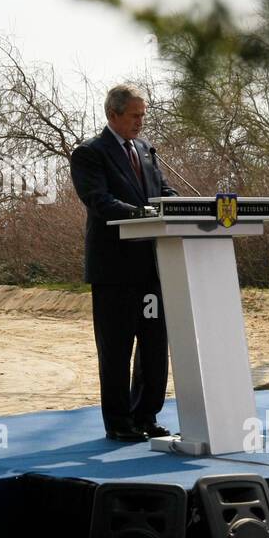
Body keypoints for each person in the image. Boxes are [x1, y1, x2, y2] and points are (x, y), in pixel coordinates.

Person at [70, 84, 178, 442]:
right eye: (135, 115)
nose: (140, 122)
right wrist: (143, 214)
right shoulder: (90, 153)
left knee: (152, 345)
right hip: (115, 271)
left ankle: (146, 414)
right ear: (112, 115)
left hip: (151, 268)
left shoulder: (146, 149)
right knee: (117, 349)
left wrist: (179, 208)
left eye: (143, 115)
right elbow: (99, 200)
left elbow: (162, 191)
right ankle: (119, 421)